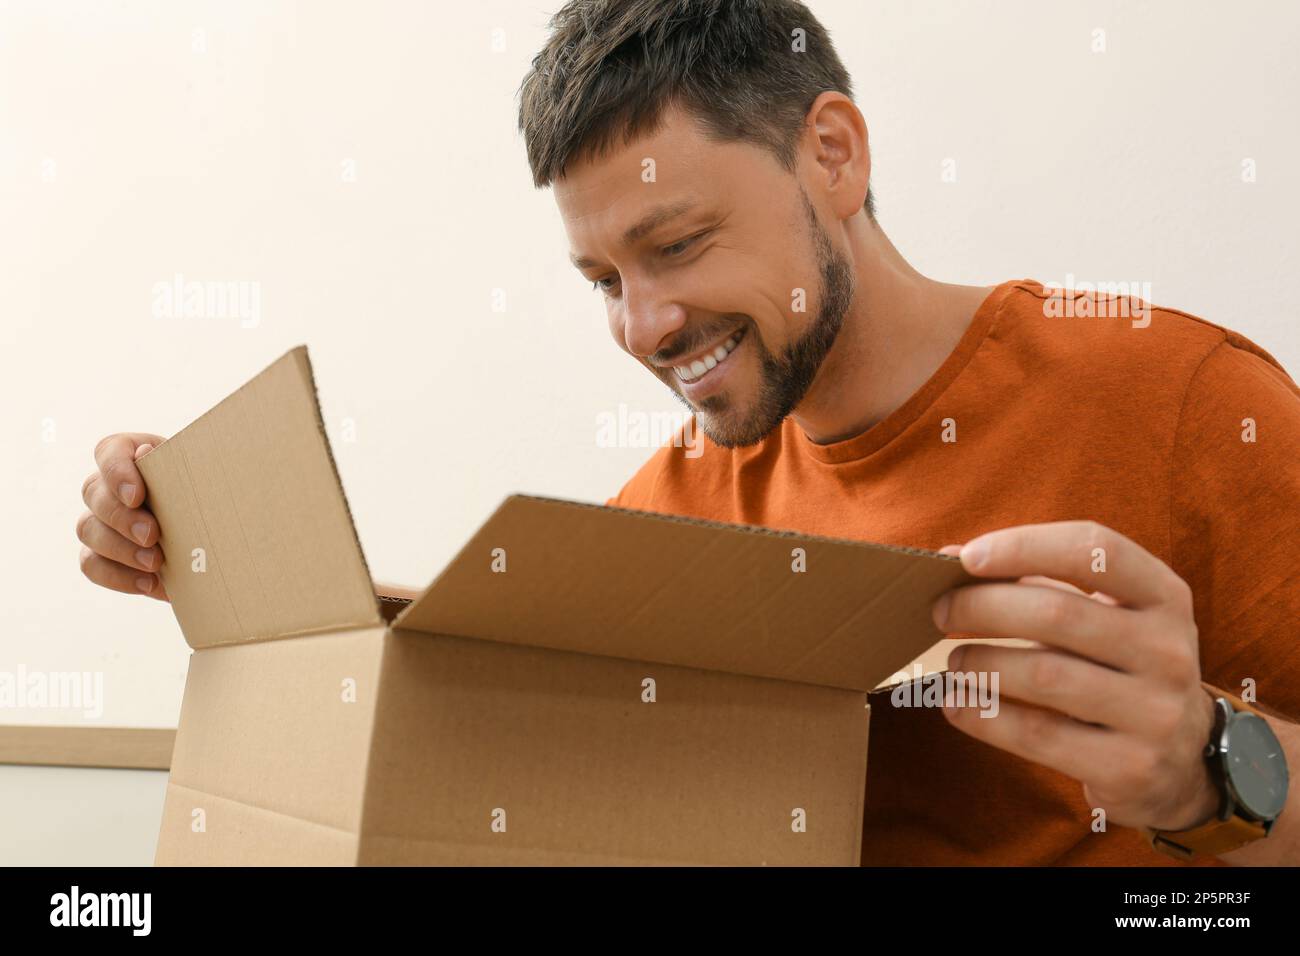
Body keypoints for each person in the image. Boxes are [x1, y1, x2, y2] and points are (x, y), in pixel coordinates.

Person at [77, 0, 1299, 866]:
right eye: (601, 279)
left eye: (676, 245)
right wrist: (204, 544)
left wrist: (1209, 764)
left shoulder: (1189, 402)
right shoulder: (663, 524)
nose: (644, 326)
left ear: (832, 153)